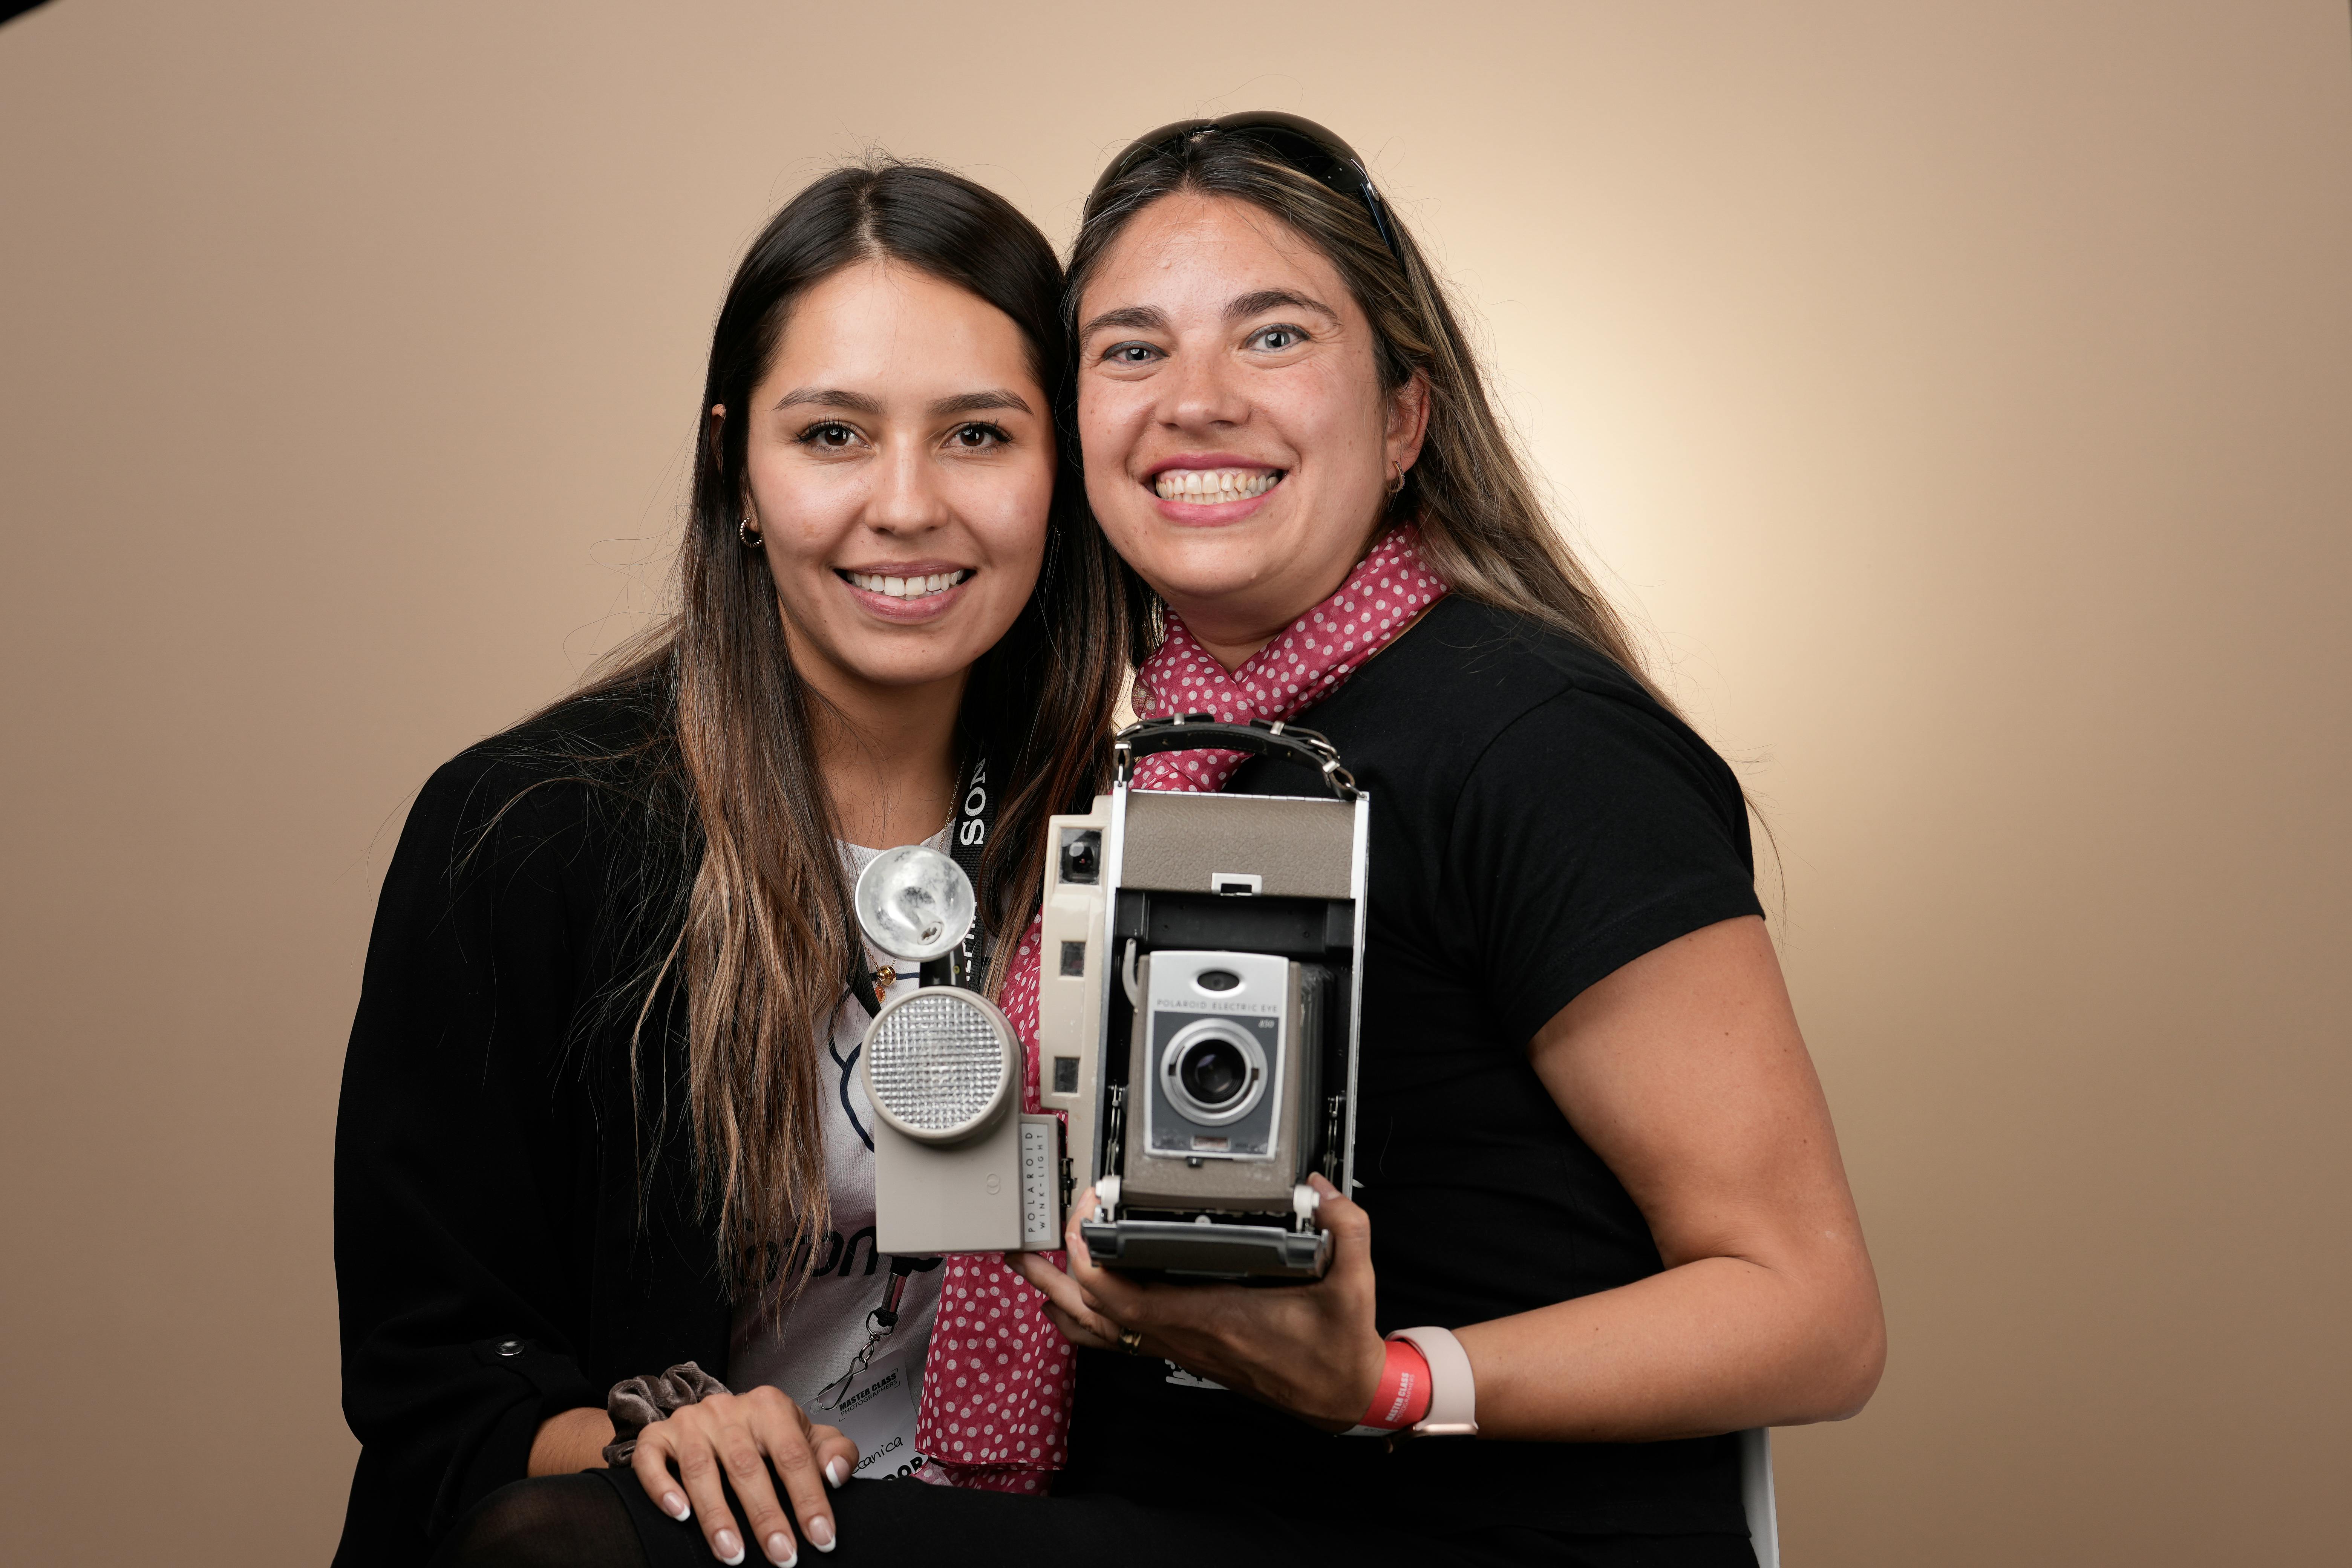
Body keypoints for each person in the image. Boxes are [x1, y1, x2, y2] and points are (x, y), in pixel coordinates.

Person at [988, 113, 1890, 1565]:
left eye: (1274, 337)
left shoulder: (1540, 742)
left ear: (1406, 418)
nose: (1196, 401)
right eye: (1132, 350)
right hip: (1168, 1519)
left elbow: (1813, 1316)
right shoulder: (1135, 757)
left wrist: (1386, 1383)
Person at [331, 161, 1129, 1568]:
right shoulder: (525, 829)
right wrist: (656, 1443)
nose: (906, 505)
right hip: (682, 1545)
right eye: (832, 434)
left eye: (978, 436)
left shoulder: (1134, 833)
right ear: (736, 471)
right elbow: (432, 1376)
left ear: (1058, 472)